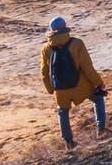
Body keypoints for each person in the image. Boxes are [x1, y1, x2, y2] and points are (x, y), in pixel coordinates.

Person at [40, 16, 106, 150]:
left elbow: (44, 72)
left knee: (62, 112)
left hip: (60, 90)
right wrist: (98, 83)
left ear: (51, 30)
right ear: (65, 27)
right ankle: (101, 129)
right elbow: (87, 67)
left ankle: (69, 142)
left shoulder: (46, 48)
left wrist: (50, 89)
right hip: (80, 85)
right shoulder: (77, 43)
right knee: (98, 98)